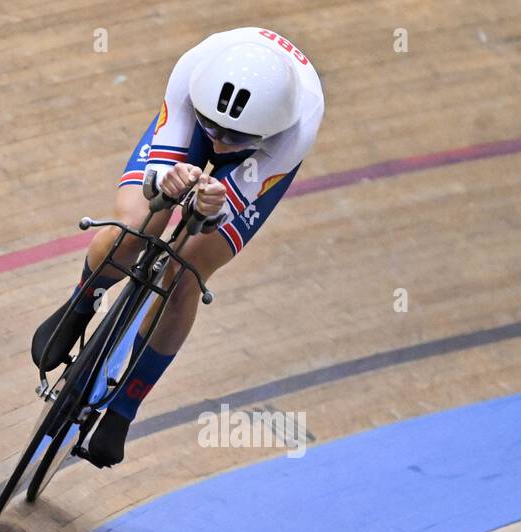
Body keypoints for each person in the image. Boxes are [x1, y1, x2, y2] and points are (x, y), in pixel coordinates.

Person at [30, 27, 324, 467]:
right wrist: (166, 182)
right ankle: (78, 306)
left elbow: (223, 208)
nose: (222, 142)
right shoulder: (194, 71)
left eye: (234, 139)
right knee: (135, 226)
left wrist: (212, 203)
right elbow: (157, 179)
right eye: (214, 129)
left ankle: (124, 409)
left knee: (186, 272)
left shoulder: (295, 129)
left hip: (258, 160)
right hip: (203, 124)